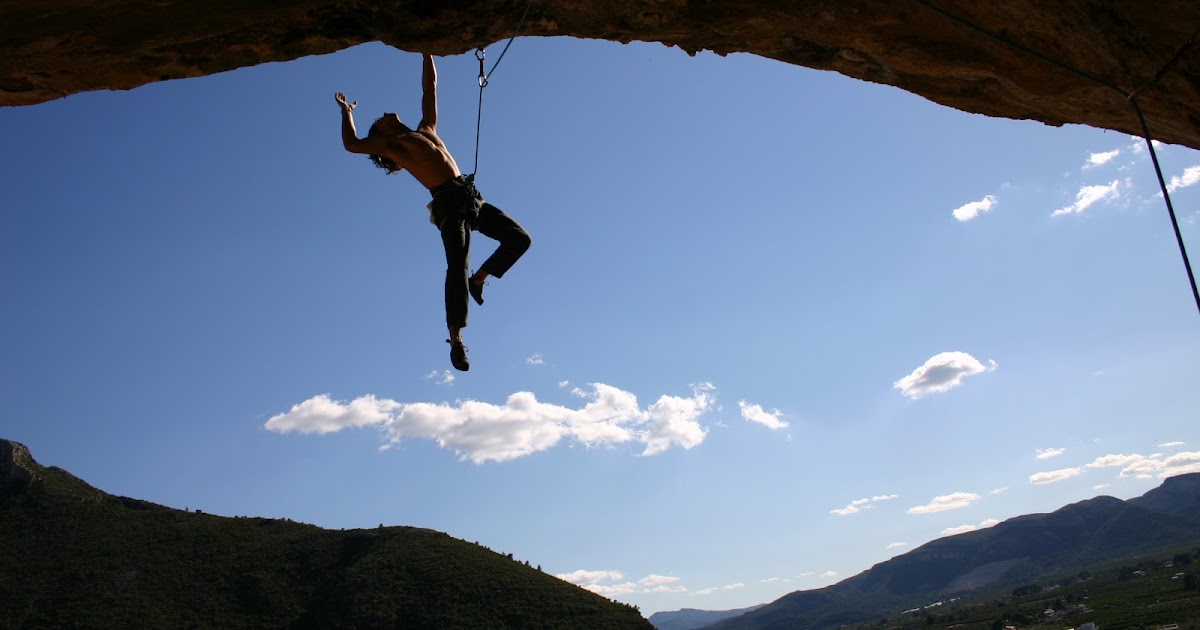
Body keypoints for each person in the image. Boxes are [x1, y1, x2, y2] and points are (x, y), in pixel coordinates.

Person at [335, 53, 531, 372]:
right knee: (456, 265)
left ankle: (480, 279)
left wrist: (426, 50)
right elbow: (351, 144)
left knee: (519, 239)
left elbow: (431, 88)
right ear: (382, 133)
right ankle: (456, 341)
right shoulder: (393, 145)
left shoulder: (426, 127)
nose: (384, 112)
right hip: (448, 205)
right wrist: (347, 113)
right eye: (380, 119)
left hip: (470, 198)